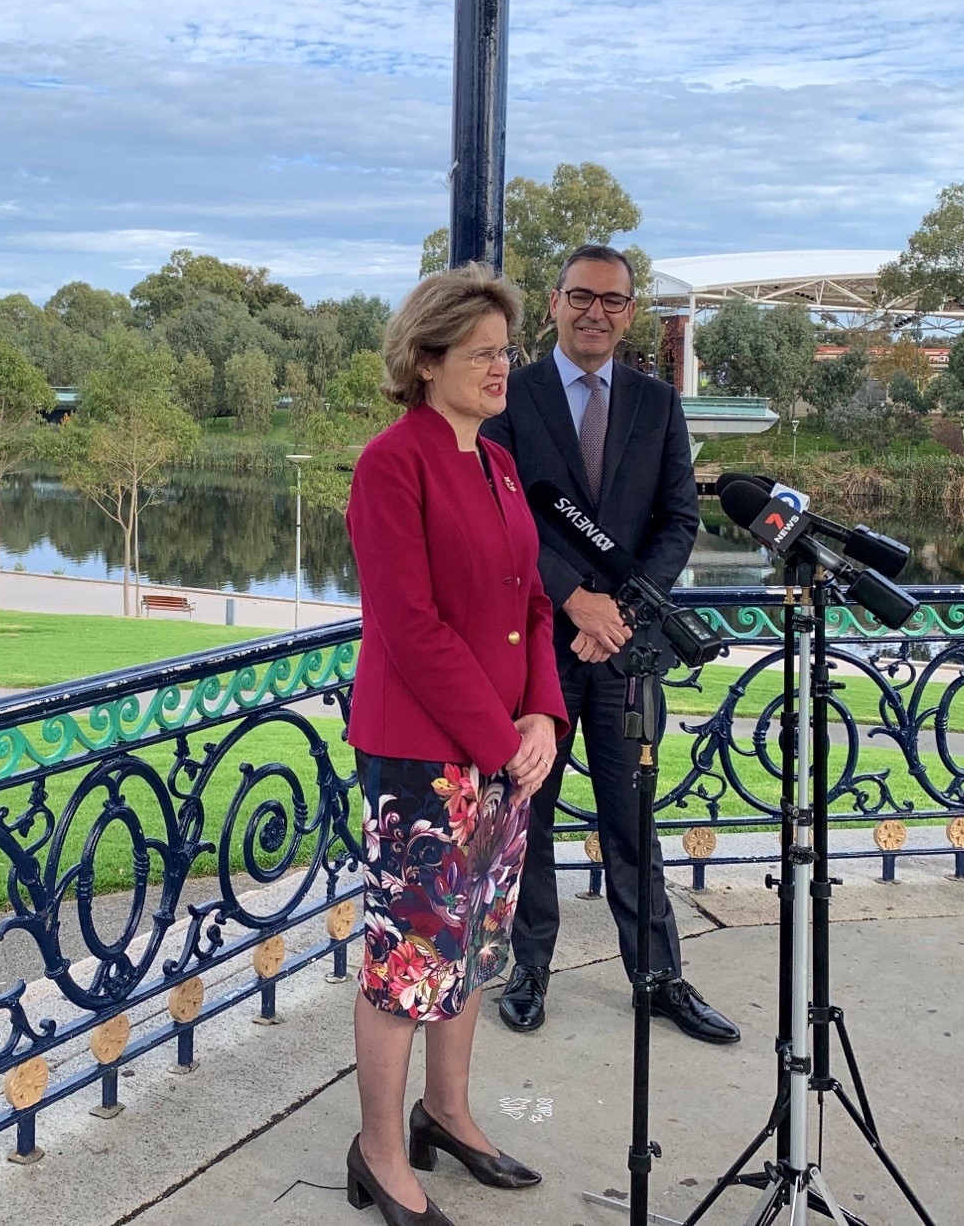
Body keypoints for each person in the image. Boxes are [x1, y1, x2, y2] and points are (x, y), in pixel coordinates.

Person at [343, 264, 568, 1226]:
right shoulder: (392, 464)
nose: (500, 367)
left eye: (505, 351)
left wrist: (541, 715)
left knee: (473, 945)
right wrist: (498, 736)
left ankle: (447, 1111)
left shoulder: (499, 464)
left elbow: (534, 601)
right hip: (422, 757)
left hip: (502, 753)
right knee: (408, 960)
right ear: (426, 360)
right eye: (481, 353)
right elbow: (410, 625)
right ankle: (381, 1155)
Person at [483, 244, 740, 1046]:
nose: (595, 312)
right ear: (554, 303)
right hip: (535, 647)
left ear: (630, 314)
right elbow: (500, 517)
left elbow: (680, 520)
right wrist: (573, 598)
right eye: (581, 297)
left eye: (613, 301)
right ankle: (528, 969)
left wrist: (618, 614)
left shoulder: (657, 404)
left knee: (633, 817)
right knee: (529, 812)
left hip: (626, 653)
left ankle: (658, 977)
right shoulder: (511, 397)